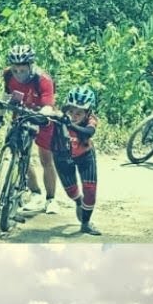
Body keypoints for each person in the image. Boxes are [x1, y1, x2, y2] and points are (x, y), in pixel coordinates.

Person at [0, 45, 61, 214]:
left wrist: (43, 114)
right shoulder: (8, 75)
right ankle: (35, 193)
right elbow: (7, 95)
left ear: (31, 66)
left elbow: (49, 105)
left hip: (43, 118)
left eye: (23, 70)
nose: (19, 74)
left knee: (45, 160)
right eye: (15, 70)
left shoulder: (43, 79)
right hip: (21, 114)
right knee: (21, 154)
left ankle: (51, 199)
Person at [52, 86, 102, 236]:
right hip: (62, 156)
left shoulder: (91, 119)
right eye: (71, 111)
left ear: (87, 112)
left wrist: (69, 124)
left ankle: (85, 224)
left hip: (85, 155)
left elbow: (89, 132)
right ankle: (79, 202)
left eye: (79, 113)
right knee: (72, 192)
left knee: (90, 190)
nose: (74, 115)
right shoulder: (58, 116)